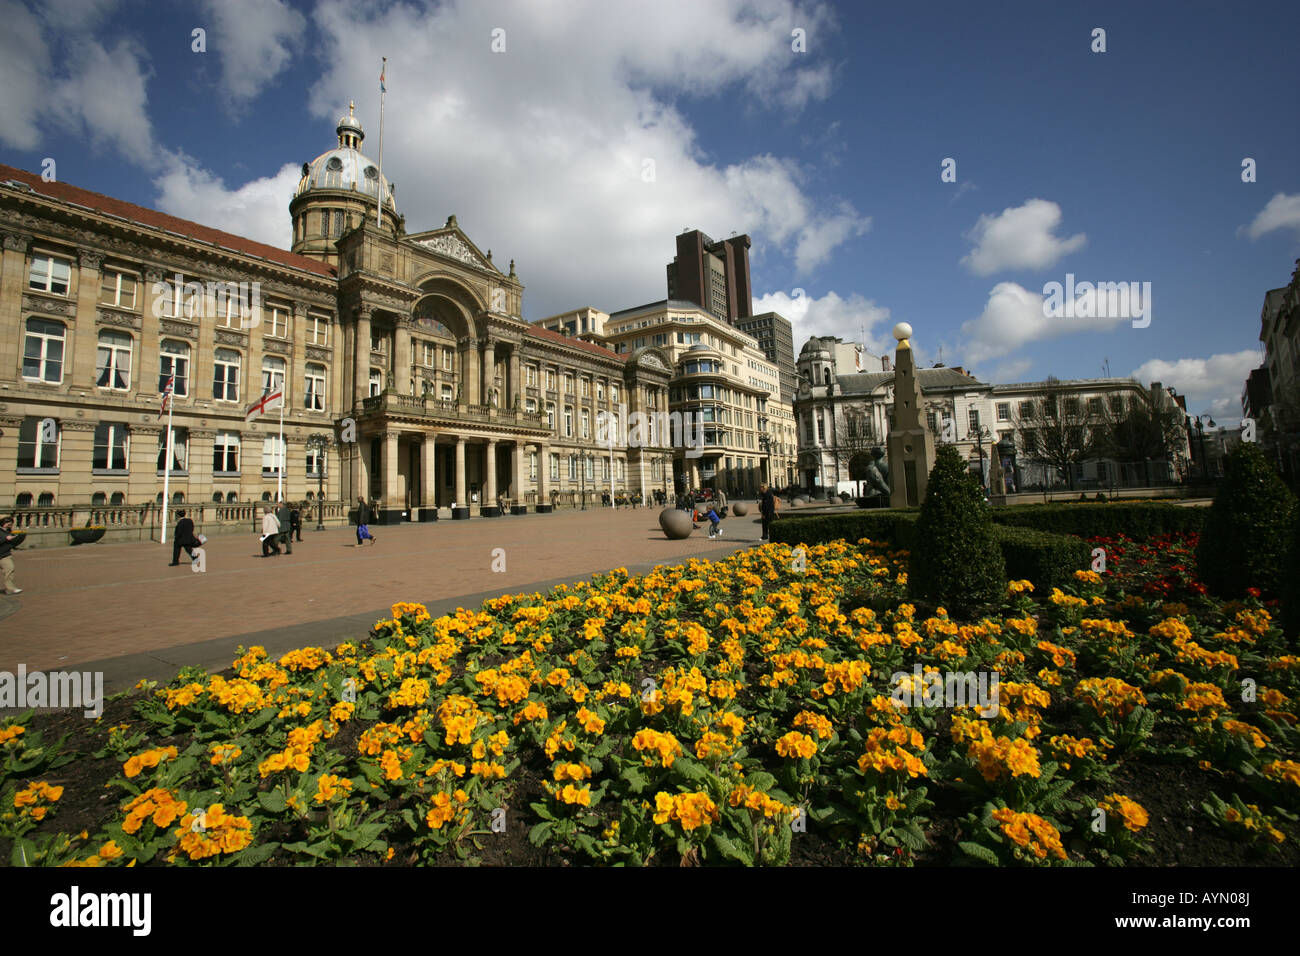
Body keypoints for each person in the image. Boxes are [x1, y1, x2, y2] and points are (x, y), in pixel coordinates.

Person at [0, 516, 22, 594]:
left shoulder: (9, 531)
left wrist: (18, 538)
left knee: (10, 569)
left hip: (5, 555)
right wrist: (5, 538)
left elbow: (13, 543)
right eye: (7, 522)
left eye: (10, 522)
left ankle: (10, 589)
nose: (9, 524)